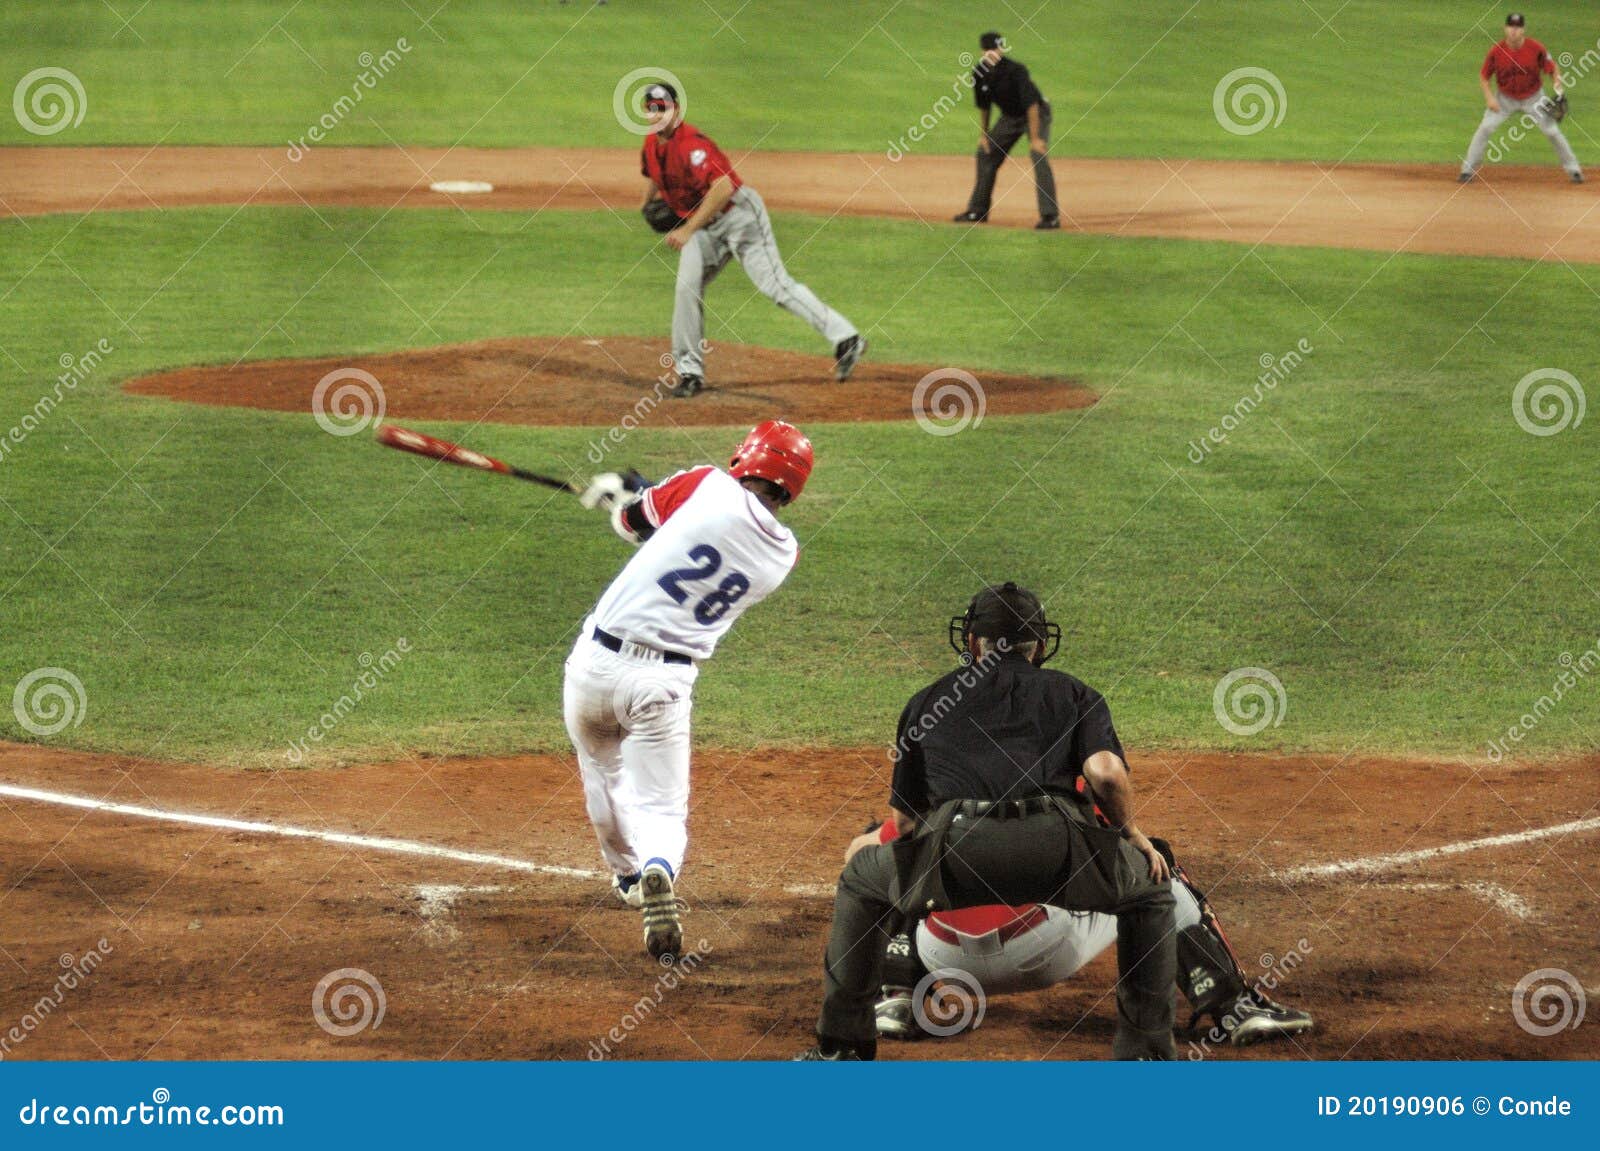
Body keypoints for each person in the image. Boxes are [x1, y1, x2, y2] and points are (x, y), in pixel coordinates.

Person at [798, 582, 1178, 1060]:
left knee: (861, 879)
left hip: (957, 847)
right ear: (1038, 645)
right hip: (1056, 847)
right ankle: (1145, 1053)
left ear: (974, 642)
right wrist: (1131, 834)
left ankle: (844, 1046)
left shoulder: (928, 700)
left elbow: (906, 823)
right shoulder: (1074, 692)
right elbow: (1106, 774)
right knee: (1150, 890)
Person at [566, 420, 812, 958]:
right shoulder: (783, 555)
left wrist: (622, 493)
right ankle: (658, 866)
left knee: (603, 771)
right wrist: (642, 491)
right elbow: (701, 527)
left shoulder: (706, 482)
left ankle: (628, 876)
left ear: (746, 456)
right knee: (662, 808)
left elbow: (633, 524)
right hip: (664, 683)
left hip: (594, 665)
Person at [849, 819, 1314, 1048]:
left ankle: (896, 996)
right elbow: (1121, 846)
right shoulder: (1060, 768)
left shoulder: (938, 772)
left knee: (893, 861)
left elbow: (858, 855)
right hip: (1042, 952)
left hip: (942, 957)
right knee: (1156, 868)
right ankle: (1234, 1006)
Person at [637, 83, 866, 398]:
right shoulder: (651, 143)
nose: (658, 115)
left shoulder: (692, 144)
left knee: (775, 286)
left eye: (664, 109)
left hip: (740, 218)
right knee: (686, 289)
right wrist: (645, 204)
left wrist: (688, 229)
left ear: (676, 109)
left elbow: (722, 188)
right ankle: (689, 373)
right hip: (704, 225)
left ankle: (846, 337)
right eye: (652, 109)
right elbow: (653, 173)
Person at [953, 32, 1060, 229]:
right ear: (982, 51)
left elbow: (1032, 104)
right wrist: (984, 135)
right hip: (1010, 117)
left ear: (1001, 49)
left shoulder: (1016, 70)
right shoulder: (979, 73)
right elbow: (984, 107)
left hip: (1036, 114)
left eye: (995, 49)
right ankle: (977, 210)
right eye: (988, 50)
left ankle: (1050, 216)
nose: (992, 53)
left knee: (1038, 154)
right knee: (985, 152)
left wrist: (1036, 139)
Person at [1459, 12, 1582, 184]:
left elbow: (1553, 68)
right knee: (1485, 127)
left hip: (1534, 97)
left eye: (1517, 27)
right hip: (1504, 98)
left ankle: (1574, 170)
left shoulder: (1536, 48)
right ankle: (1467, 171)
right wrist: (1489, 98)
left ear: (1523, 30)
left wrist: (1558, 87)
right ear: (1505, 28)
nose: (1514, 30)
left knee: (1552, 131)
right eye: (1511, 26)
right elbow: (1484, 76)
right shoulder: (1496, 51)